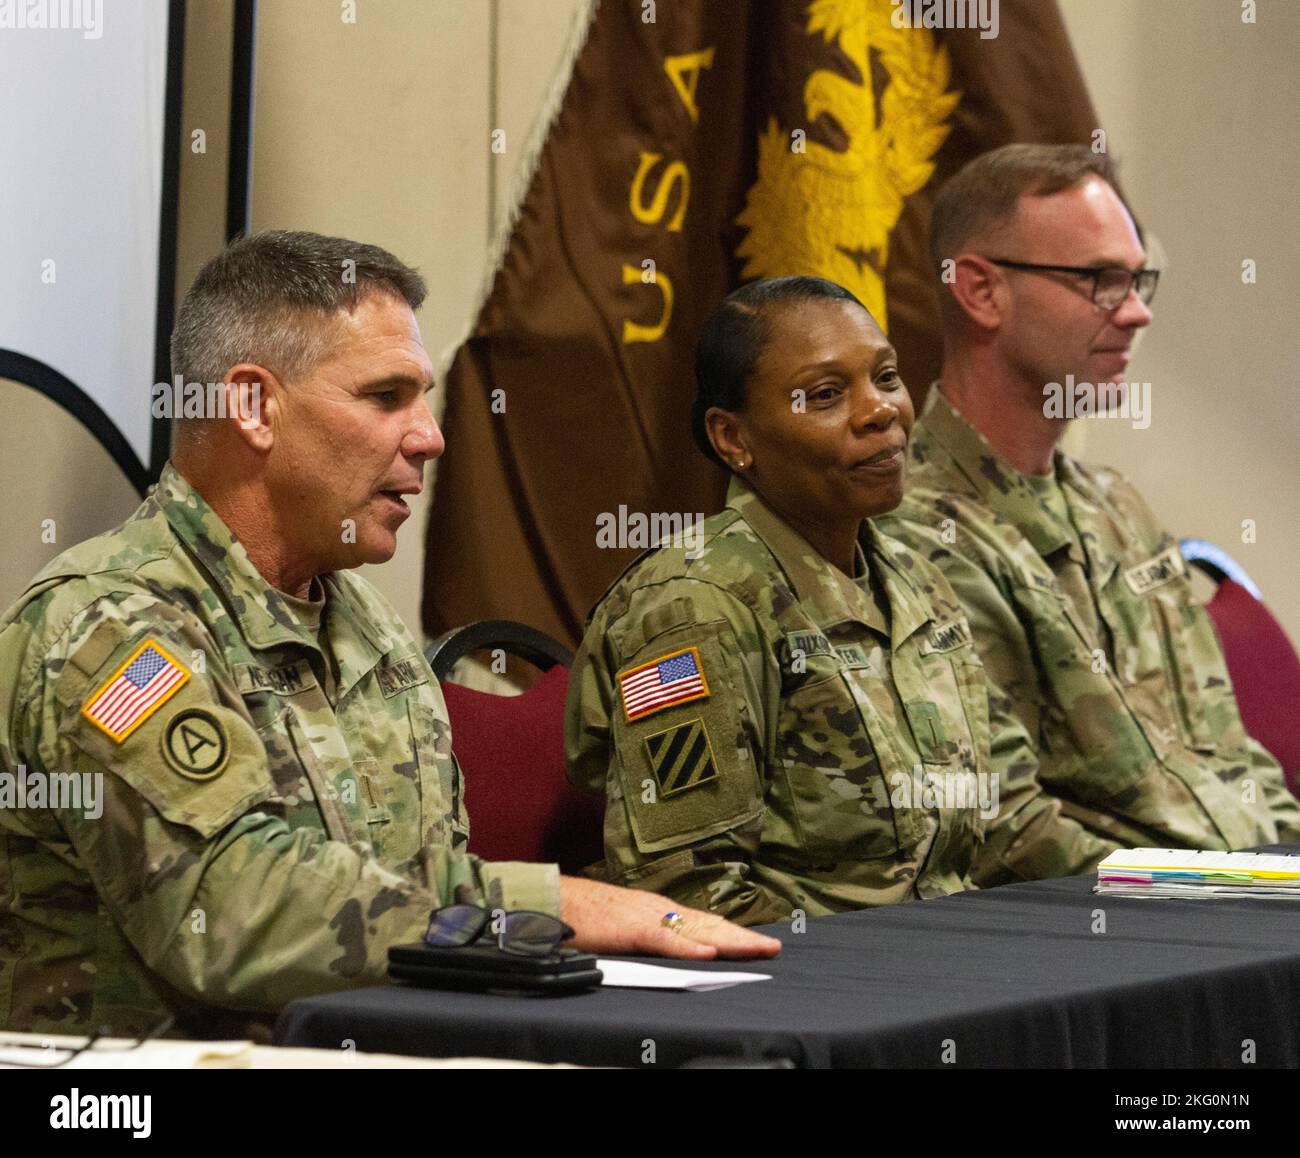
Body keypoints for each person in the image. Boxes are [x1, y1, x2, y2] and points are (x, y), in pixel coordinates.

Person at [0, 230, 778, 1040]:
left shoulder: (362, 620)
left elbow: (416, 886)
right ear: (253, 407)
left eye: (423, 398)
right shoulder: (105, 628)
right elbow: (229, 913)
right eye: (385, 397)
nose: (429, 436)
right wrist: (552, 908)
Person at [565, 277, 1111, 926]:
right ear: (733, 438)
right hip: (812, 973)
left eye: (886, 377)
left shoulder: (917, 580)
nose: (880, 411)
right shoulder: (692, 609)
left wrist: (1172, 885)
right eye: (825, 395)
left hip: (953, 948)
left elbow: (1003, 824)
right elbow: (687, 892)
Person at [878, 144, 1300, 873]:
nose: (1136, 312)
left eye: (1139, 280)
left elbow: (1235, 758)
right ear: (981, 291)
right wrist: (1238, 890)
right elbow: (1005, 831)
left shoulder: (1116, 506)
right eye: (1100, 281)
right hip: (1121, 919)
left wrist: (1283, 869)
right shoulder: (913, 531)